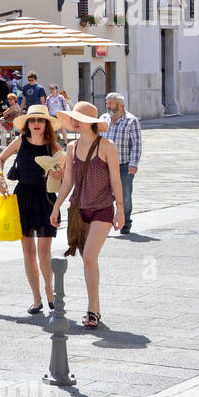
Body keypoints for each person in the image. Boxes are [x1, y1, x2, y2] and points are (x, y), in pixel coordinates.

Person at [50, 101, 123, 330]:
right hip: (80, 211)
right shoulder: (71, 147)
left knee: (89, 256)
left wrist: (120, 208)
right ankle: (96, 307)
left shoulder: (107, 146)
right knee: (88, 260)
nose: (72, 122)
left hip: (102, 208)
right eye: (72, 119)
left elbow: (115, 180)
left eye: (76, 119)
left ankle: (92, 311)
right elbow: (68, 182)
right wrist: (56, 206)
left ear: (87, 123)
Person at [0, 105, 65, 315]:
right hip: (22, 198)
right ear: (27, 124)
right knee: (28, 252)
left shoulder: (53, 147)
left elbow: (63, 174)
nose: (36, 124)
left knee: (44, 253)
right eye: (32, 121)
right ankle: (36, 299)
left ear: (46, 125)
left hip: (45, 199)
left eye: (40, 121)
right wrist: (0, 178)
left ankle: (49, 291)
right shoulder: (20, 142)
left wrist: (57, 175)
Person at [97, 92, 139, 234]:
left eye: (110, 103)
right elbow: (97, 140)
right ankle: (104, 222)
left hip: (124, 165)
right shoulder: (103, 119)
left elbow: (136, 145)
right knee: (103, 195)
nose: (107, 106)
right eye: (107, 103)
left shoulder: (131, 121)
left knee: (125, 195)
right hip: (104, 165)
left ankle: (125, 222)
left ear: (120, 105)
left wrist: (133, 164)